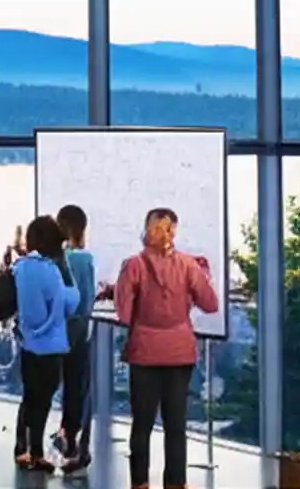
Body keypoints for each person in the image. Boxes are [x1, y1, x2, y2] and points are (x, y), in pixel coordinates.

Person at [115, 207, 219, 489]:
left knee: (142, 424)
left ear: (146, 230)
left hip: (144, 353)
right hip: (179, 353)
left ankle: (139, 483)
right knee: (176, 425)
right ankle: (176, 483)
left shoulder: (132, 266)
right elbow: (210, 304)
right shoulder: (189, 265)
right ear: (173, 231)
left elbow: (123, 314)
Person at [11, 216, 80, 473]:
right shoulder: (52, 270)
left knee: (29, 397)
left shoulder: (20, 268)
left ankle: (23, 448)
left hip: (28, 343)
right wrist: (67, 275)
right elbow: (70, 303)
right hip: (51, 346)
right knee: (43, 400)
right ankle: (37, 454)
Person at [55, 204, 96, 473]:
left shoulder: (49, 258)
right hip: (77, 330)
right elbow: (87, 299)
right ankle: (74, 441)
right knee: (77, 385)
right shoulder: (83, 259)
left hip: (50, 331)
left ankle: (30, 445)